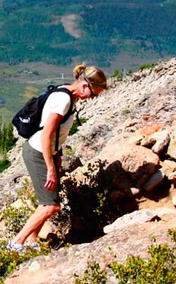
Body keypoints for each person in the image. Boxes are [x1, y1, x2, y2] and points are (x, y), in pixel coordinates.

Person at [10, 65, 108, 252]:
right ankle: (16, 243)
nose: (92, 98)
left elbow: (57, 134)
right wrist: (50, 168)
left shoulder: (67, 94)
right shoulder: (63, 100)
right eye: (93, 94)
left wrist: (58, 156)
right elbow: (47, 134)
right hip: (38, 153)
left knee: (46, 201)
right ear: (85, 85)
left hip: (47, 152)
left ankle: (31, 242)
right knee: (51, 206)